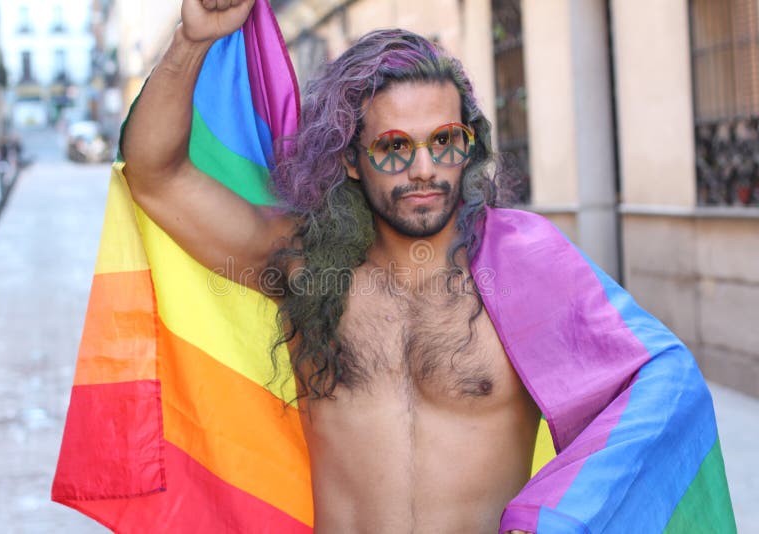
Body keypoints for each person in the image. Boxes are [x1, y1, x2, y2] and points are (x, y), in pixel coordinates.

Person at [60, 0, 733, 532]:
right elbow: (155, 174)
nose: (424, 169)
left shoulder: (527, 264)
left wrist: (563, 514)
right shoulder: (303, 266)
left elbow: (660, 379)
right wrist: (193, 40)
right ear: (351, 160)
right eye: (393, 147)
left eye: (446, 141)